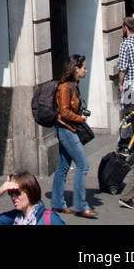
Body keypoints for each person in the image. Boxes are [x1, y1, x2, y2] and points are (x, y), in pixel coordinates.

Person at [50, 54, 96, 218]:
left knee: (63, 165)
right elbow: (64, 112)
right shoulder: (65, 87)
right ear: (76, 69)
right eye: (84, 67)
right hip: (66, 129)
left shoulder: (74, 85)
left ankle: (57, 203)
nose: (86, 70)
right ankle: (80, 205)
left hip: (69, 128)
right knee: (83, 165)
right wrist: (80, 118)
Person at [0, 172, 64, 225]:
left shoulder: (50, 218)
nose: (13, 197)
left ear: (30, 191)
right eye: (11, 193)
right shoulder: (14, 216)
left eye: (17, 193)